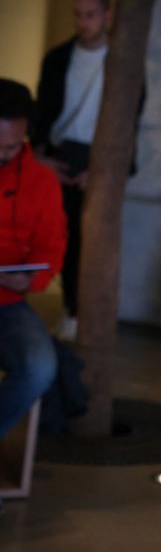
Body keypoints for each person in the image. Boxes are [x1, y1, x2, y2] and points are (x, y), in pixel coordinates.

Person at [33, 0, 141, 341]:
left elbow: (131, 121)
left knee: (93, 241)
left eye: (91, 15)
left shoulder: (123, 64)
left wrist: (105, 169)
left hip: (102, 156)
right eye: (78, 14)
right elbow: (43, 112)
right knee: (62, 237)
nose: (83, 22)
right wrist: (41, 156)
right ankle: (71, 310)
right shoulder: (58, 58)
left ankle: (83, 315)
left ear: (107, 16)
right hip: (61, 153)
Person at [0, 79, 67, 440]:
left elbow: (51, 249)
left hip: (7, 302)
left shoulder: (42, 182)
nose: (3, 154)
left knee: (38, 368)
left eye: (11, 146)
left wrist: (30, 280)